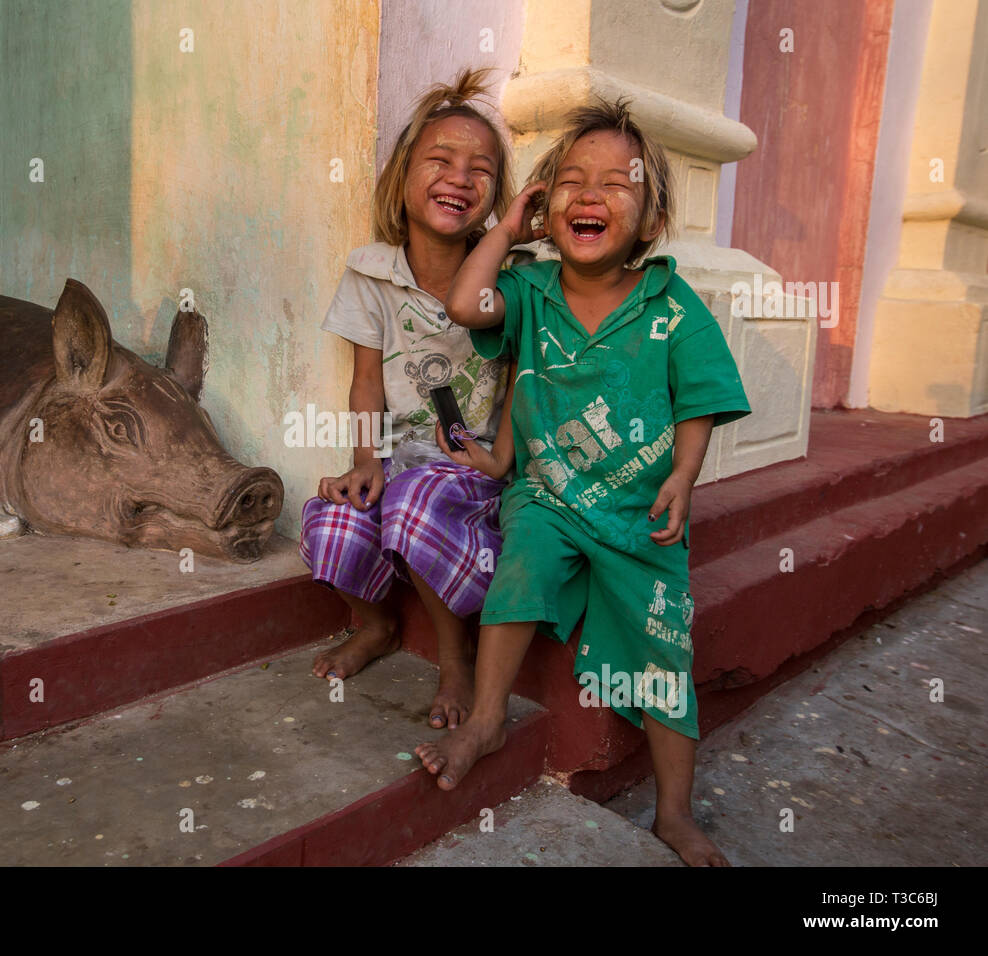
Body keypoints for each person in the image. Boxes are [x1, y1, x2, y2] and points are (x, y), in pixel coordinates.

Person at [419, 97, 750, 866]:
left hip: (641, 514)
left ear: (652, 217)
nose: (590, 194)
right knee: (522, 557)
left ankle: (674, 812)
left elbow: (698, 398)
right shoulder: (529, 290)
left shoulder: (671, 306)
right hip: (552, 496)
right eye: (570, 180)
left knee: (666, 652)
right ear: (544, 205)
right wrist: (506, 230)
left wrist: (685, 477)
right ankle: (488, 716)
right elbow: (467, 302)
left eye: (617, 184)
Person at [299, 67, 536, 730]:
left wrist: (500, 459)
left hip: (471, 473)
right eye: (439, 160)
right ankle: (376, 625)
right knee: (330, 521)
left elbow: (522, 372)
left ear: (494, 199)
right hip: (400, 465)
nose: (459, 177)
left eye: (479, 168)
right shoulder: (371, 272)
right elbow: (367, 379)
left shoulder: (509, 281)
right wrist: (365, 460)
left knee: (411, 502)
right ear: (401, 180)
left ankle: (456, 659)